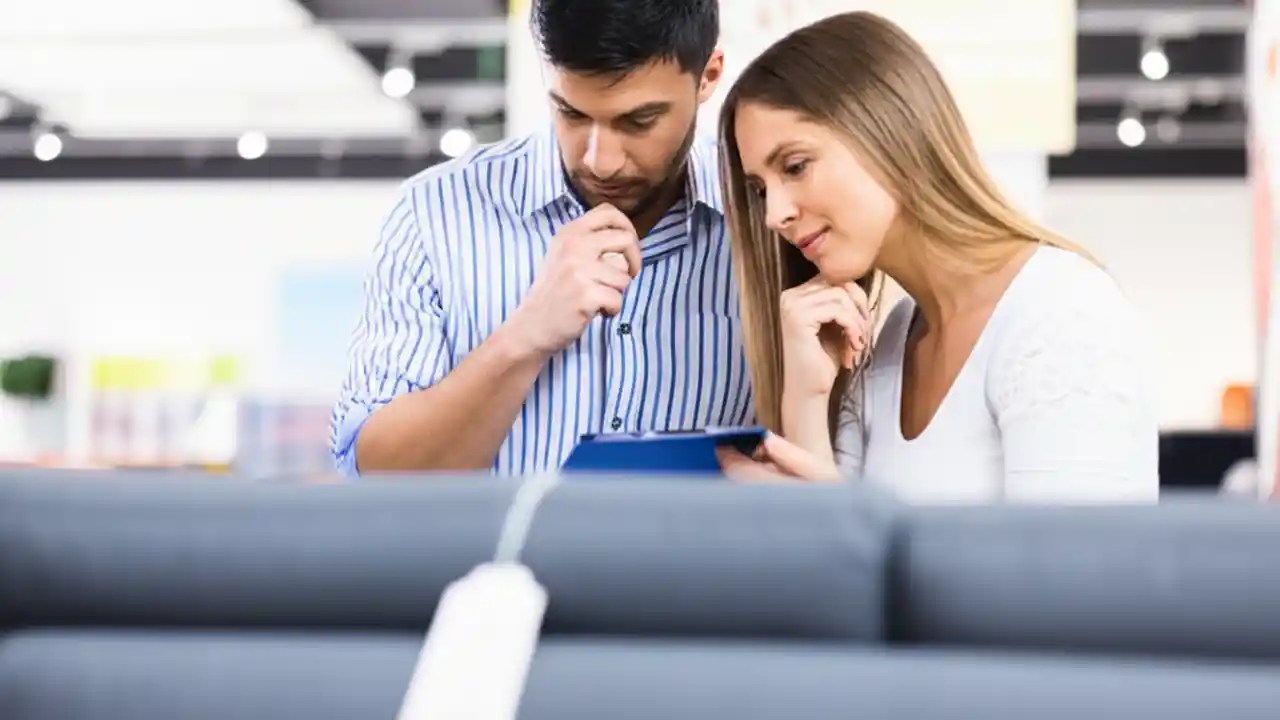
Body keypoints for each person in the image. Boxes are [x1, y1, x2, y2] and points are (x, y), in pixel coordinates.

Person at [714, 12, 1159, 503]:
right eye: (759, 191)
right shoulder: (888, 342)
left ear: (888, 130)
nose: (775, 214)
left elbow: (1067, 574)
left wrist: (863, 524)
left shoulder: (1061, 313)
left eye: (795, 166)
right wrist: (805, 395)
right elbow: (823, 563)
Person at [330, 0, 753, 477]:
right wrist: (524, 338)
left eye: (638, 121)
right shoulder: (434, 214)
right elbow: (374, 478)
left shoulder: (767, 224)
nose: (601, 160)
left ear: (708, 76)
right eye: (571, 113)